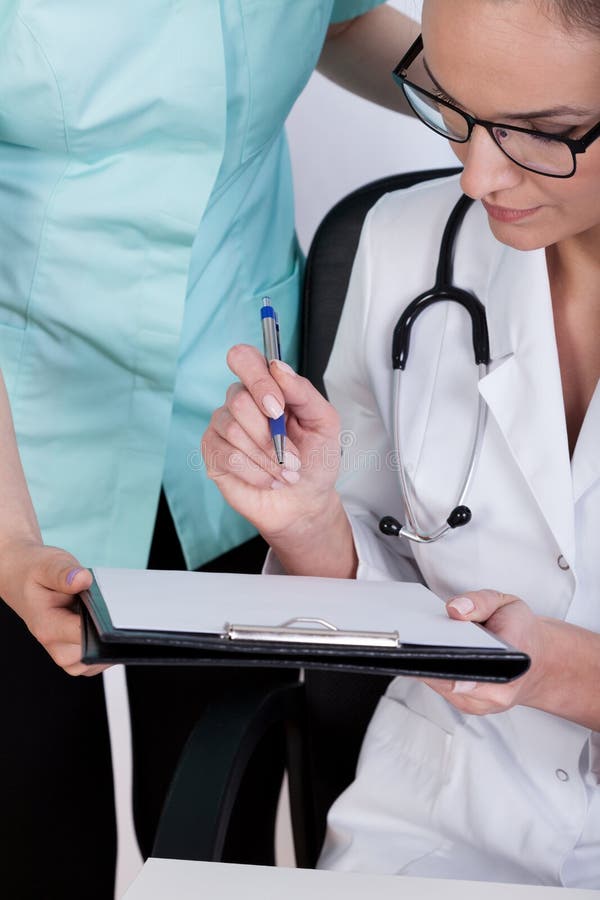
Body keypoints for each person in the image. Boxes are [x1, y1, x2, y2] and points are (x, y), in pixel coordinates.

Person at [0, 3, 422, 898]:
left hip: (235, 423)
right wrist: (8, 536)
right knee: (31, 817)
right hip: (24, 432)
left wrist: (531, 119)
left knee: (214, 820)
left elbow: (345, 25)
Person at [202, 0, 600, 886]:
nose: (477, 178)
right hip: (428, 827)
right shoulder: (404, 245)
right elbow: (381, 597)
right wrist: (309, 526)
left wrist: (570, 674)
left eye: (542, 132)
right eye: (454, 112)